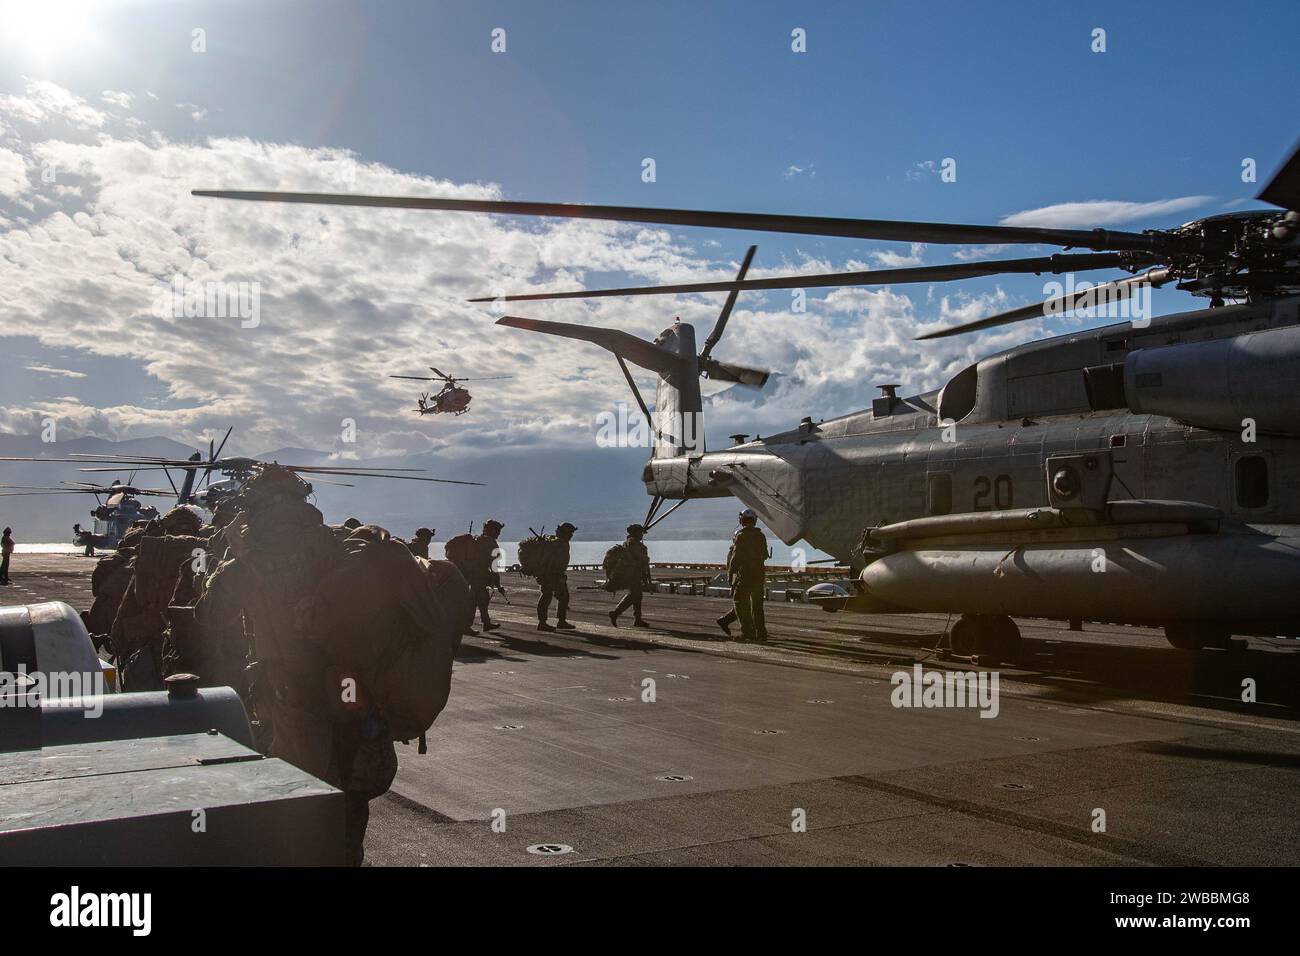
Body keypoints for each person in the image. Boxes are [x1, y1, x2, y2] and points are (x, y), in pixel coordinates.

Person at [728, 508, 769, 643]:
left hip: (745, 575)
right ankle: (761, 633)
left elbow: (735, 558)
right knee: (757, 605)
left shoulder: (741, 536)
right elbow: (764, 555)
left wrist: (730, 575)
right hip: (759, 574)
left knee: (739, 601)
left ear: (742, 520)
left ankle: (747, 632)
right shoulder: (761, 536)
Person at [609, 523, 651, 628]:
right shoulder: (633, 544)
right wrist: (645, 558)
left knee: (637, 596)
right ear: (636, 533)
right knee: (634, 595)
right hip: (632, 574)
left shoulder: (630, 543)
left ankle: (637, 619)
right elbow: (639, 557)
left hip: (634, 573)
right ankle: (615, 613)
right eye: (640, 532)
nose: (642, 534)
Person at [537, 521, 577, 632]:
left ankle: (559, 621)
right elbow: (554, 561)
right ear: (565, 533)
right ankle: (544, 622)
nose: (571, 535)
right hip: (551, 575)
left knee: (561, 596)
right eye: (570, 533)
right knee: (548, 596)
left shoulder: (556, 542)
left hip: (551, 574)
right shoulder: (559, 543)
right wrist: (557, 575)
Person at [471, 519, 505, 632]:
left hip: (473, 574)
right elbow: (494, 565)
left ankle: (486, 623)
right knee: (477, 600)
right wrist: (498, 584)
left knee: (481, 599)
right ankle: (466, 625)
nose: (499, 534)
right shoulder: (490, 542)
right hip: (480, 575)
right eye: (498, 531)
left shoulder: (478, 539)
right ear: (493, 531)